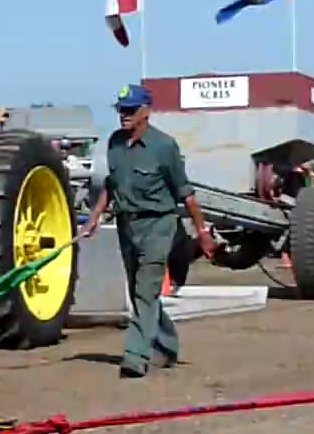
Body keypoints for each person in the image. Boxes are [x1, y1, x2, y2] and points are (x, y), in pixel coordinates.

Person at [80, 84, 217, 379]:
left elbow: (186, 193)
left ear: (146, 112)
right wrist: (94, 217)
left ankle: (135, 356)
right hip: (126, 225)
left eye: (130, 110)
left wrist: (202, 231)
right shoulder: (115, 143)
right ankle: (166, 344)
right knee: (139, 291)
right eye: (121, 110)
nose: (124, 116)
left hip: (159, 224)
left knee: (145, 289)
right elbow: (111, 184)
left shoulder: (164, 146)